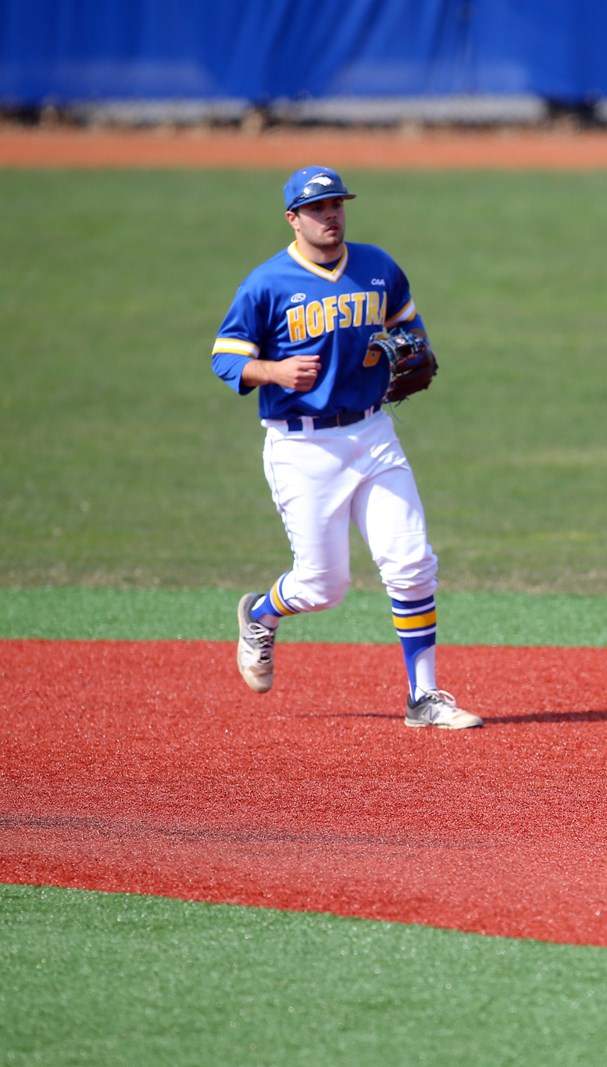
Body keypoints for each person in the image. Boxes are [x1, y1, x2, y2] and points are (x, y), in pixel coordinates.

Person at [209, 165, 480, 729]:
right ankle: (261, 612)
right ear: (293, 218)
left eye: (337, 205)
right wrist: (273, 371)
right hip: (302, 449)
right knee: (323, 587)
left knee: (411, 564)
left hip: (373, 434)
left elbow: (412, 331)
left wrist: (417, 352)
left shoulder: (378, 268)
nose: (331, 216)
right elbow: (225, 357)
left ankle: (423, 698)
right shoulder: (267, 284)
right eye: (318, 208)